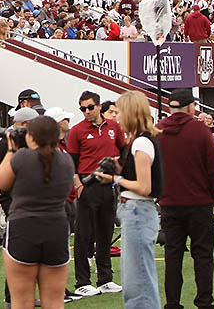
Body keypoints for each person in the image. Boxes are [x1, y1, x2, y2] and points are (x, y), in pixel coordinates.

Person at [0, 115, 75, 309]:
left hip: (23, 229)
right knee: (55, 302)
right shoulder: (66, 161)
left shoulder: (22, 157)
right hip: (56, 229)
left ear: (31, 136)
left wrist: (12, 149)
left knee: (21, 302)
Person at [94, 91, 163, 309]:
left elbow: (145, 187)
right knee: (139, 278)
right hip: (137, 211)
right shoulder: (142, 141)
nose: (116, 117)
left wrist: (115, 178)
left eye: (119, 112)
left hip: (137, 211)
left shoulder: (141, 143)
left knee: (138, 281)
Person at [157, 89, 214, 309]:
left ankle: (172, 302)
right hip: (199, 202)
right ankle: (204, 302)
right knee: (203, 255)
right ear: (190, 107)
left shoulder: (159, 131)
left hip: (170, 203)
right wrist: (212, 195)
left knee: (173, 255)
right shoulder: (199, 130)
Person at [68, 90, 125, 297]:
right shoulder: (77, 131)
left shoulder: (114, 127)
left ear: (99, 106)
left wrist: (119, 170)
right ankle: (82, 281)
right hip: (87, 184)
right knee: (84, 234)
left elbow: (124, 150)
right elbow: (72, 162)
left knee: (105, 232)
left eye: (90, 107)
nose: (87, 112)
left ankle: (105, 278)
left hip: (108, 185)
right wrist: (79, 185)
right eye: (83, 108)